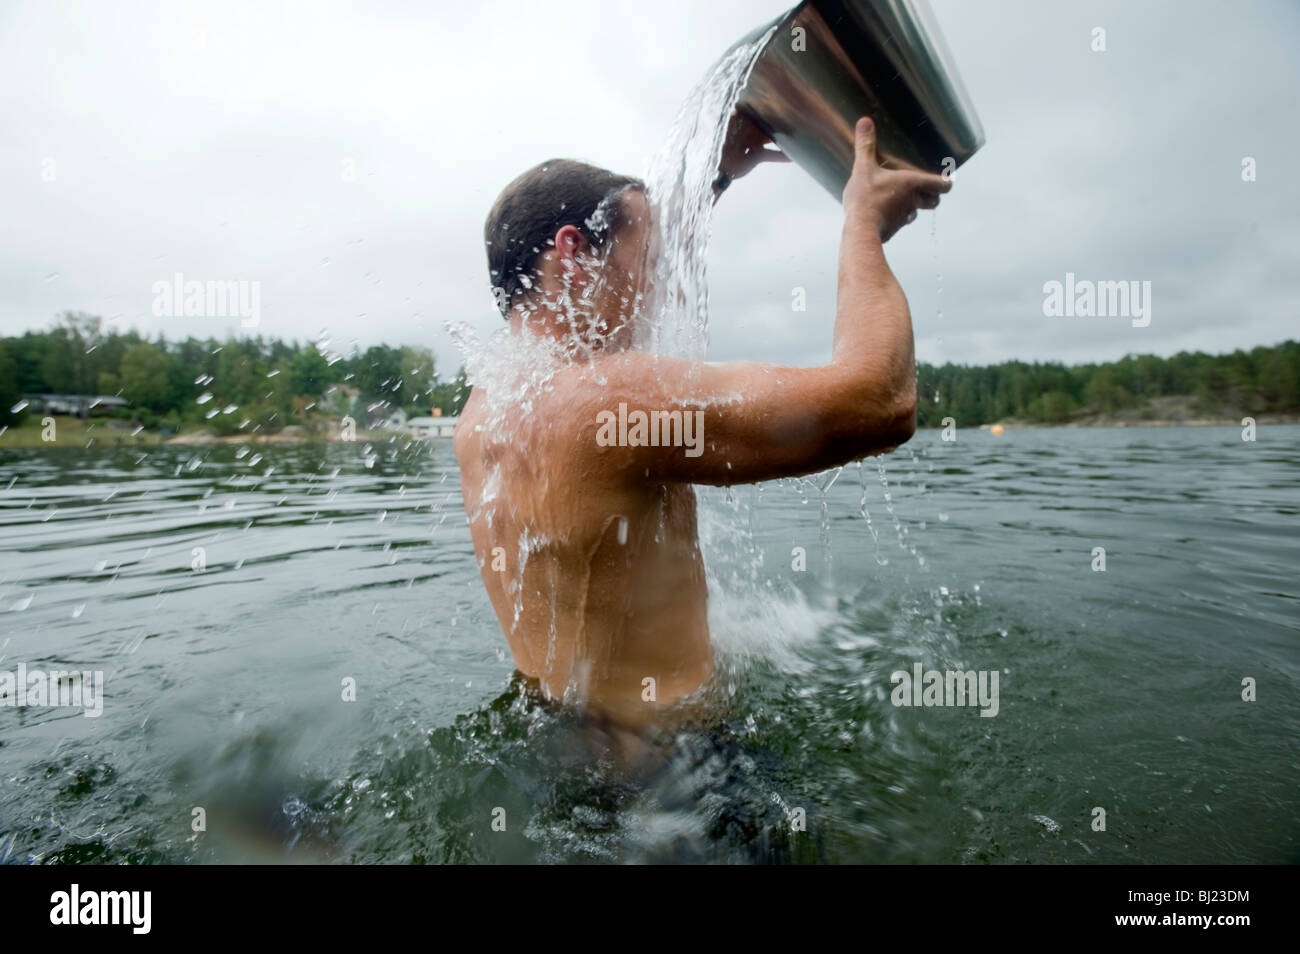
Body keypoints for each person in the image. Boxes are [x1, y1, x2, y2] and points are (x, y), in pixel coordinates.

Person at [455, 112, 950, 731]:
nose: (662, 287)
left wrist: (716, 176)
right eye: (653, 263)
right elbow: (881, 400)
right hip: (678, 776)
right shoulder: (608, 401)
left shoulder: (481, 418)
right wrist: (865, 225)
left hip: (556, 745)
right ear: (573, 253)